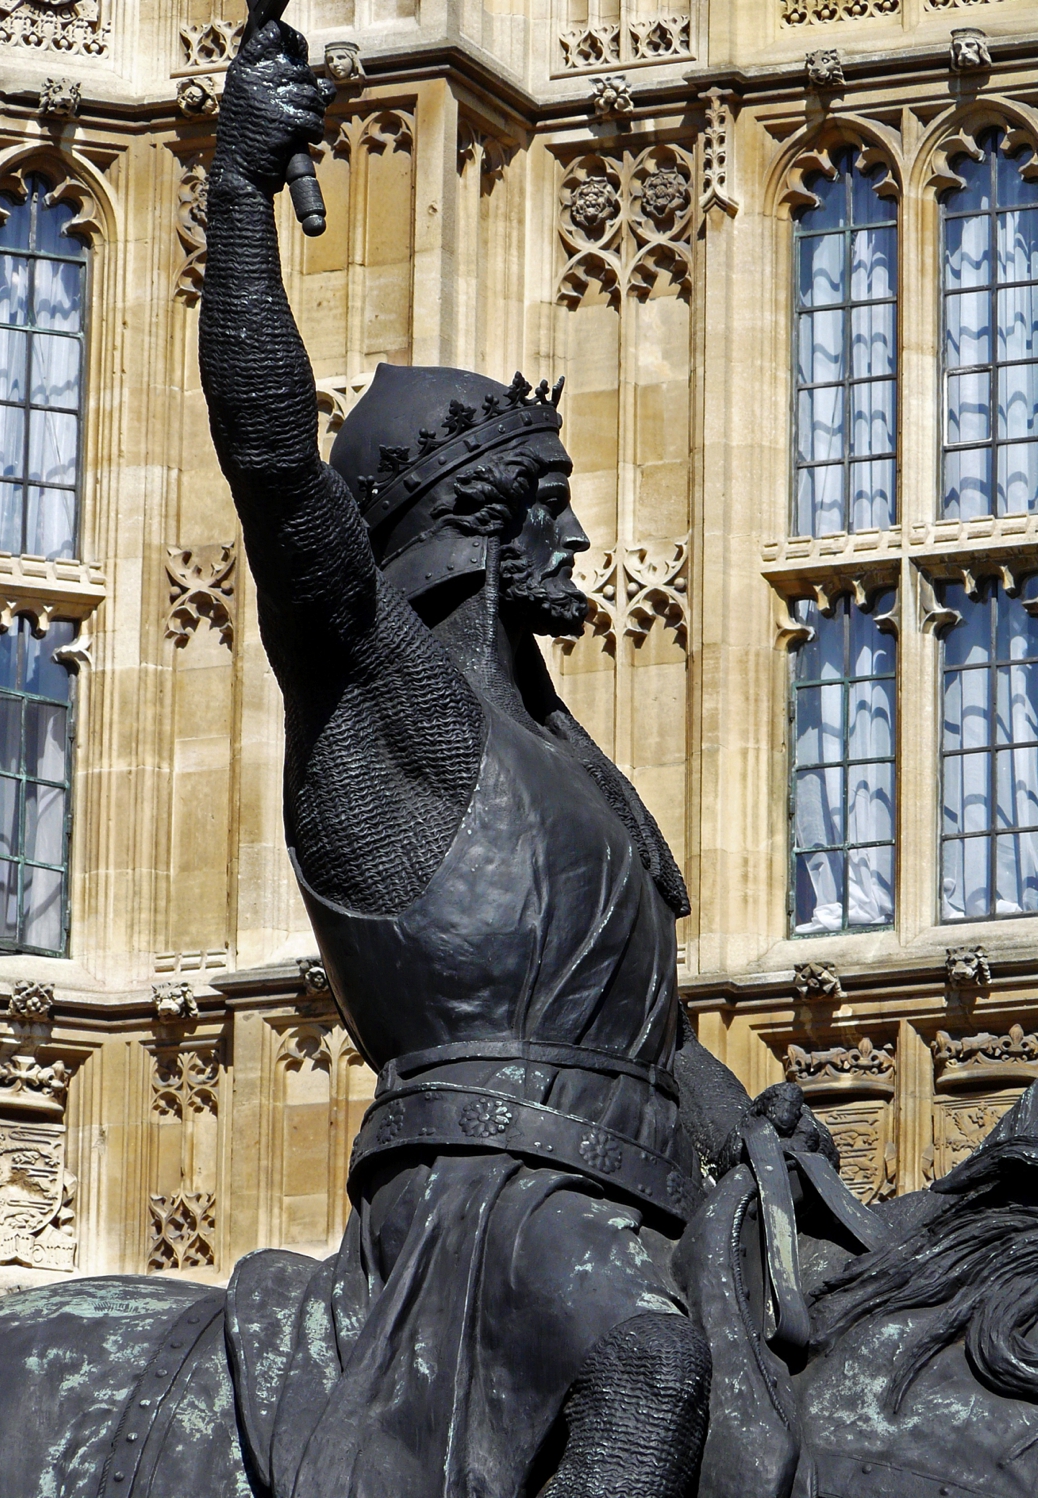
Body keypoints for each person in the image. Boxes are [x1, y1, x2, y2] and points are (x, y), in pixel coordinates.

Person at [199, 19, 836, 1496]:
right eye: (545, 504)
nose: (579, 539)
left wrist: (744, 1116)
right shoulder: (391, 702)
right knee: (647, 1365)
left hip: (640, 1190)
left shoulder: (572, 765)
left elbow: (638, 1035)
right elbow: (276, 473)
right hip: (487, 1208)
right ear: (470, 531)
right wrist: (241, 197)